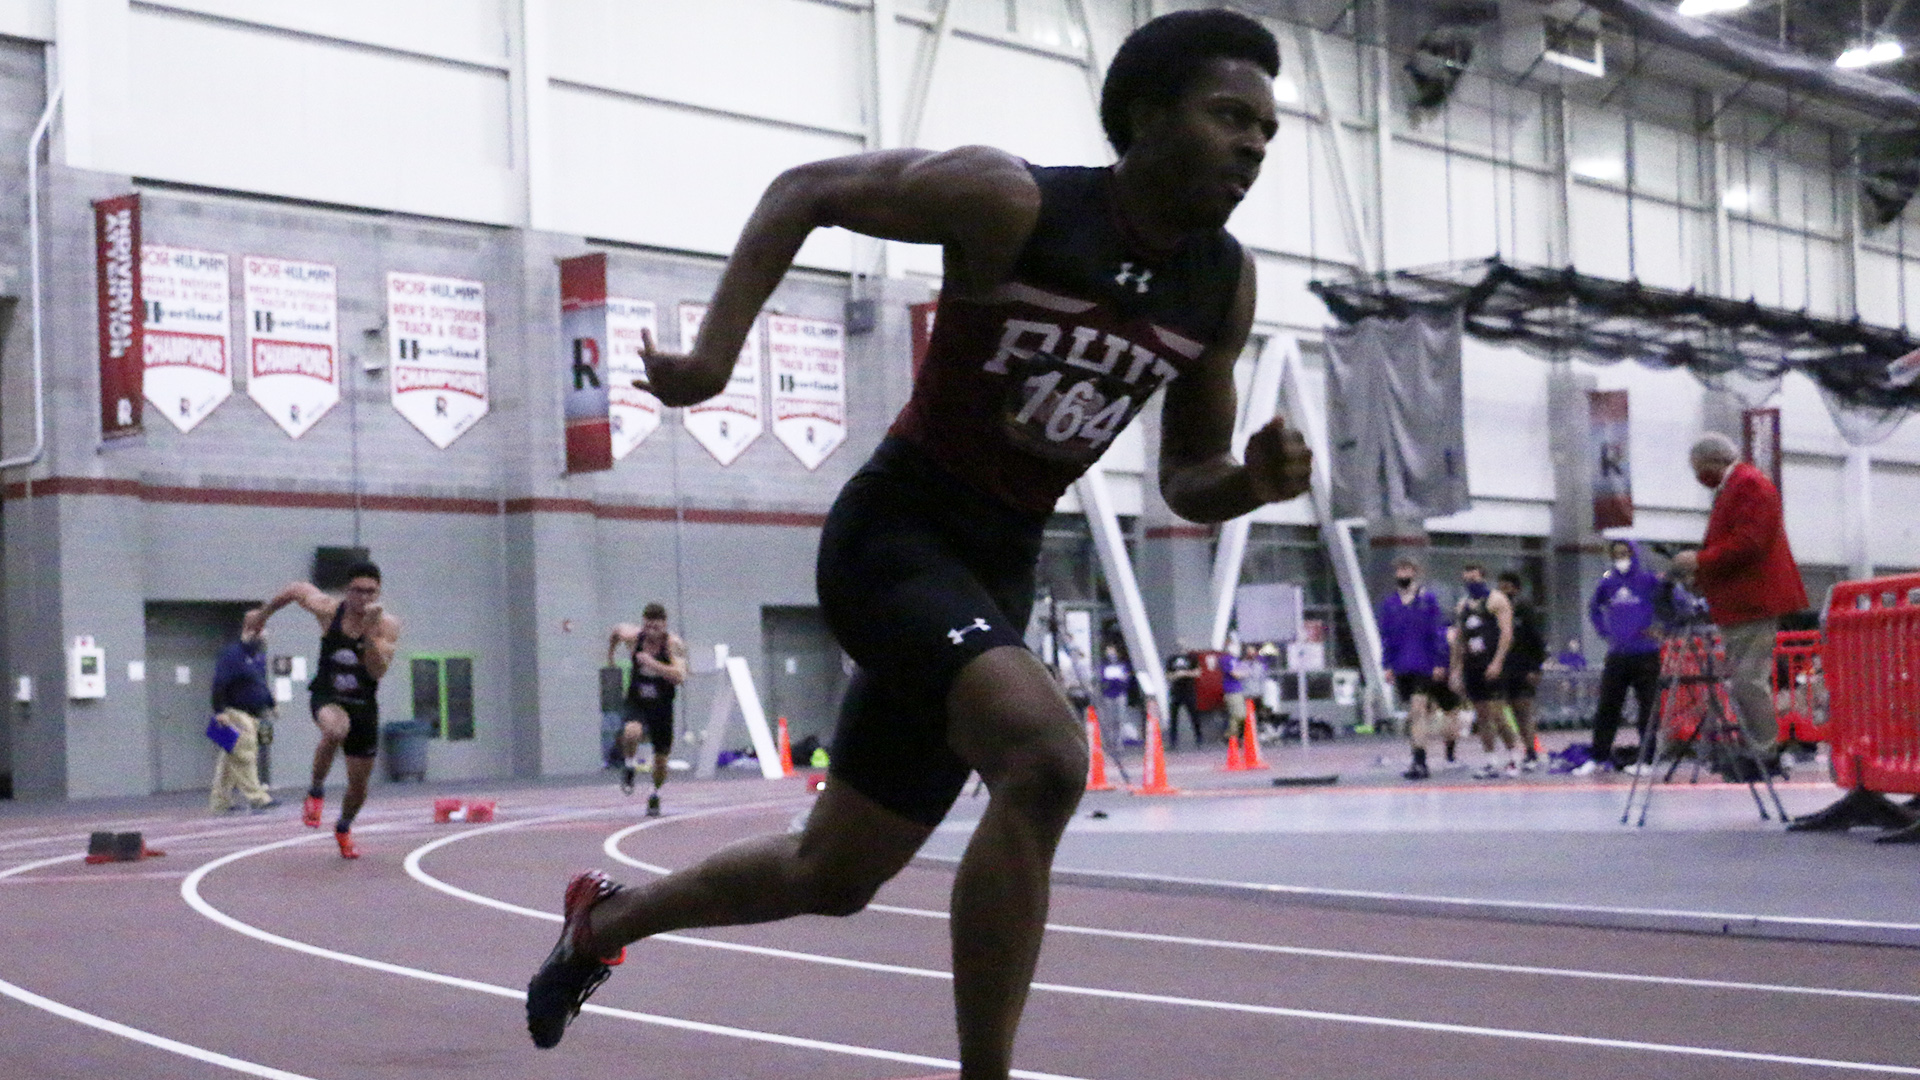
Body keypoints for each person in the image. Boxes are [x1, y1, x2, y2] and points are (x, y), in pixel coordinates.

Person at [524, 12, 1313, 1075]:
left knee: (833, 873)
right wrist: (713, 360)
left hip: (996, 572)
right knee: (1042, 760)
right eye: (1231, 117)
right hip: (895, 540)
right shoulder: (1012, 201)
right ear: (1145, 116)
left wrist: (1251, 485)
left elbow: (1188, 477)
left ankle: (603, 924)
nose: (1255, 146)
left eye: (1268, 130)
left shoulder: (1221, 283)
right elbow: (804, 192)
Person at [1669, 433, 1807, 769]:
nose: (1698, 477)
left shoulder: (1749, 484)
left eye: (1698, 469)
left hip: (1753, 601)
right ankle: (1758, 748)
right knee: (1743, 680)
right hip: (1738, 602)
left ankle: (1766, 751)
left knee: (1748, 680)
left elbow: (1750, 543)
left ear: (1713, 461)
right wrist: (1703, 577)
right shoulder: (1735, 487)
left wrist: (1700, 561)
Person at [247, 561, 399, 859]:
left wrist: (368, 635)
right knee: (335, 729)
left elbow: (377, 671)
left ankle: (343, 827)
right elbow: (296, 589)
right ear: (347, 591)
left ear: (379, 592)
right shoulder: (330, 610)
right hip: (328, 695)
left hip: (364, 705)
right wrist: (264, 615)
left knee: (358, 786)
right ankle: (316, 790)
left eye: (371, 592)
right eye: (357, 590)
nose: (364, 598)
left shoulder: (387, 625)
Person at [1575, 539, 1662, 776]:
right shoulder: (1608, 582)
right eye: (1616, 555)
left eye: (1625, 553)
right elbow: (1594, 608)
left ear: (1634, 553)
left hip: (1646, 653)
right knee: (1607, 707)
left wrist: (1660, 627)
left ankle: (1646, 760)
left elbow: (1672, 602)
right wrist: (1605, 632)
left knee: (1647, 709)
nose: (1621, 558)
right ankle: (1599, 756)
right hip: (1617, 654)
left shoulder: (1649, 580)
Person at [607, 604, 690, 816]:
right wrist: (611, 657)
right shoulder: (635, 638)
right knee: (631, 732)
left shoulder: (673, 645)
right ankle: (629, 765)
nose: (652, 632)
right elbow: (616, 631)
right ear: (643, 624)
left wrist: (653, 663)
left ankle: (655, 794)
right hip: (638, 700)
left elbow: (679, 676)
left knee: (660, 762)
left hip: (662, 706)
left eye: (656, 628)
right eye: (648, 627)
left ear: (664, 626)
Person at [1377, 556, 1451, 780]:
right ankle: (1415, 757)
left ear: (1415, 572)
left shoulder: (1427, 600)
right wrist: (1387, 665)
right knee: (1412, 713)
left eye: (1407, 569)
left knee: (1419, 709)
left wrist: (1440, 662)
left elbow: (1437, 632)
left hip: (1424, 663)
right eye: (1399, 570)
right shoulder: (1390, 604)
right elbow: (1386, 637)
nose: (1403, 574)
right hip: (1401, 665)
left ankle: (1421, 761)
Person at [1450, 562, 1521, 779]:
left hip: (1493, 662)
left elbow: (1507, 634)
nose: (1471, 583)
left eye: (1475, 579)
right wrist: (1456, 669)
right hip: (1473, 664)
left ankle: (1513, 757)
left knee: (1497, 713)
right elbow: (1459, 639)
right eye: (1467, 580)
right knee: (1481, 716)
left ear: (1483, 577)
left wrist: (1498, 662)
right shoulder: (1462, 605)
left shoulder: (1496, 600)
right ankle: (1490, 760)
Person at [207, 615, 279, 814]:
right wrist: (219, 711)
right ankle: (258, 797)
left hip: (253, 714)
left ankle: (220, 802)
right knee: (245, 754)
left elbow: (260, 683)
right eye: (261, 632)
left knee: (229, 760)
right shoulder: (232, 655)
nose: (264, 637)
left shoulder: (257, 656)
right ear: (249, 631)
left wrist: (271, 703)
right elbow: (219, 683)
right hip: (235, 712)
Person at [1495, 570, 1548, 771]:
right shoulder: (1494, 611)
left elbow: (1537, 641)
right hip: (1501, 668)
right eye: (1501, 586)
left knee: (1523, 711)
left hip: (1522, 668)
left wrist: (1535, 668)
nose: (1503, 591)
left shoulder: (1524, 610)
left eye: (1507, 587)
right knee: (1499, 712)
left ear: (1516, 589)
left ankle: (1531, 751)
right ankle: (1512, 751)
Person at [1164, 641, 1203, 748]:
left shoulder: (1192, 658)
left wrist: (1185, 673)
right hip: (1176, 691)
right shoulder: (1171, 659)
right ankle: (1173, 740)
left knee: (1194, 714)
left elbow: (1198, 672)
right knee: (1173, 716)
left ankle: (1199, 737)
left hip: (1189, 690)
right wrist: (1176, 675)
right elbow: (1168, 675)